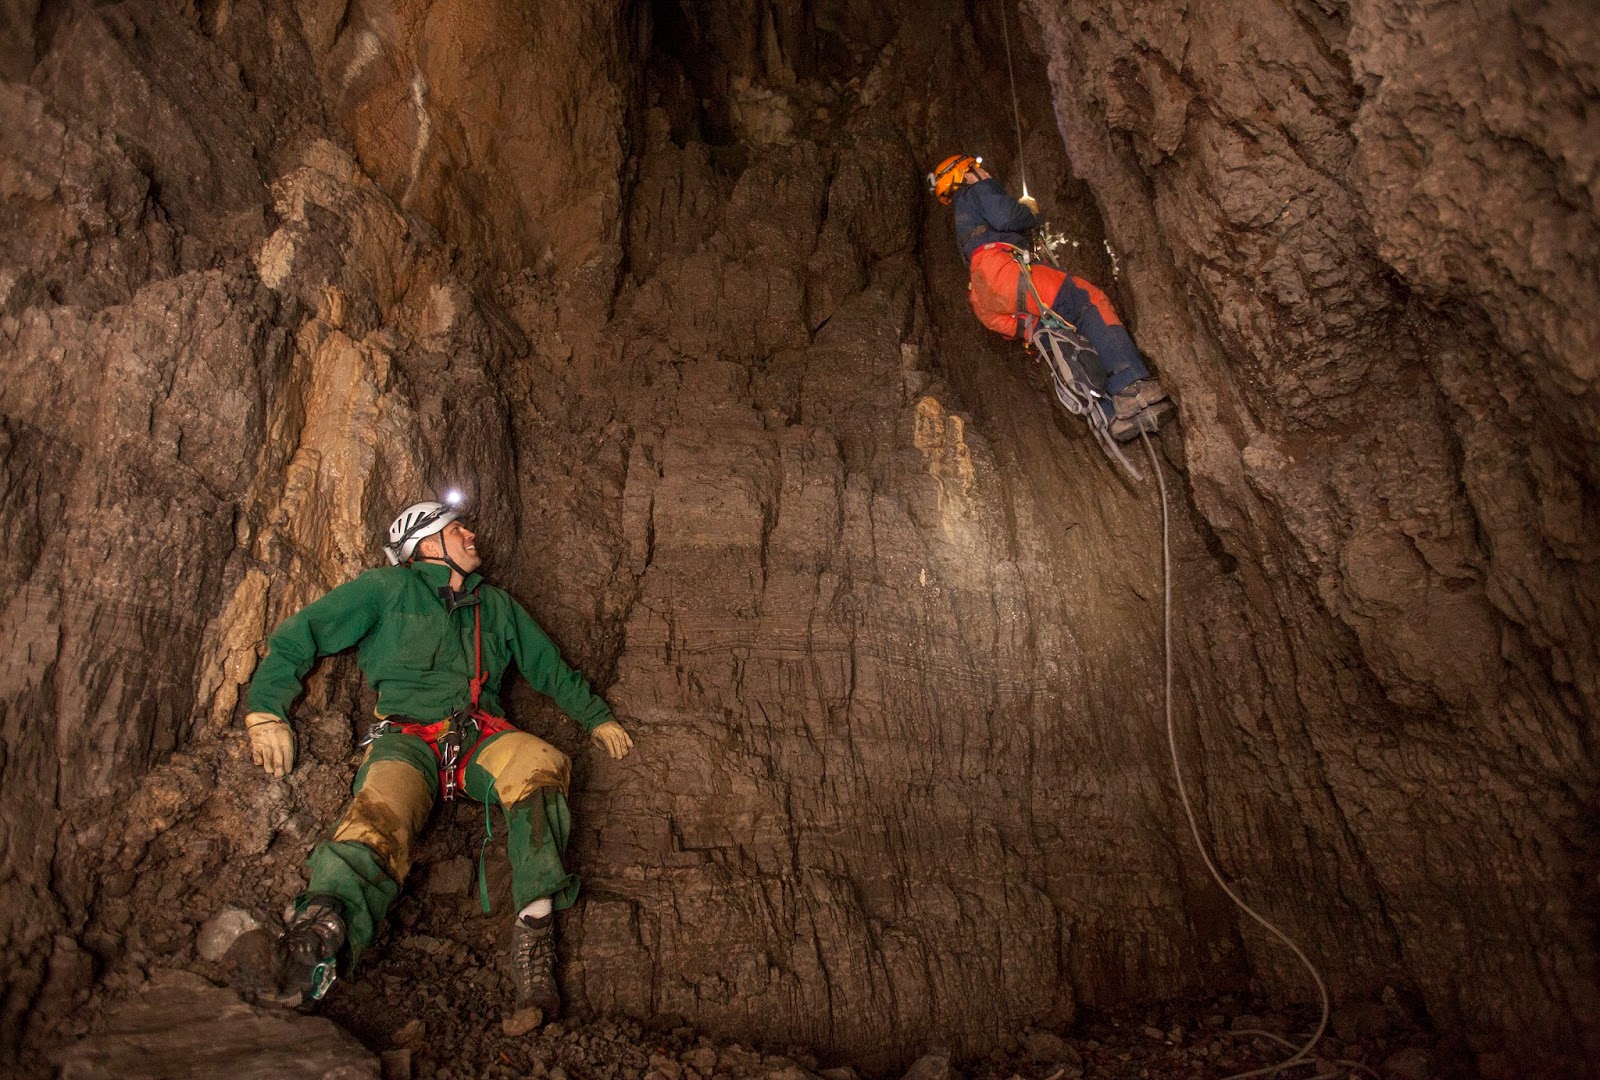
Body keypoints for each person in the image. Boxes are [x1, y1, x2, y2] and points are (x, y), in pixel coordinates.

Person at [239, 498, 633, 1014]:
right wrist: (266, 710)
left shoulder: (496, 606)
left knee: (540, 763)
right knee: (379, 813)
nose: (471, 536)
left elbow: (549, 669)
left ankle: (534, 934)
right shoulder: (386, 589)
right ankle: (319, 936)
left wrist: (596, 716)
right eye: (458, 529)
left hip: (478, 738)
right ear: (428, 544)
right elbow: (301, 635)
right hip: (406, 739)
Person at [928, 153, 1174, 441]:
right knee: (1086, 302)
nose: (986, 173)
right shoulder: (976, 188)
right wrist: (1029, 214)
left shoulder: (962, 224)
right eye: (979, 170)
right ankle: (1131, 387)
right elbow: (1006, 217)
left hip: (984, 297)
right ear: (966, 174)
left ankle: (1110, 416)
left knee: (1058, 335)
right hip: (1005, 272)